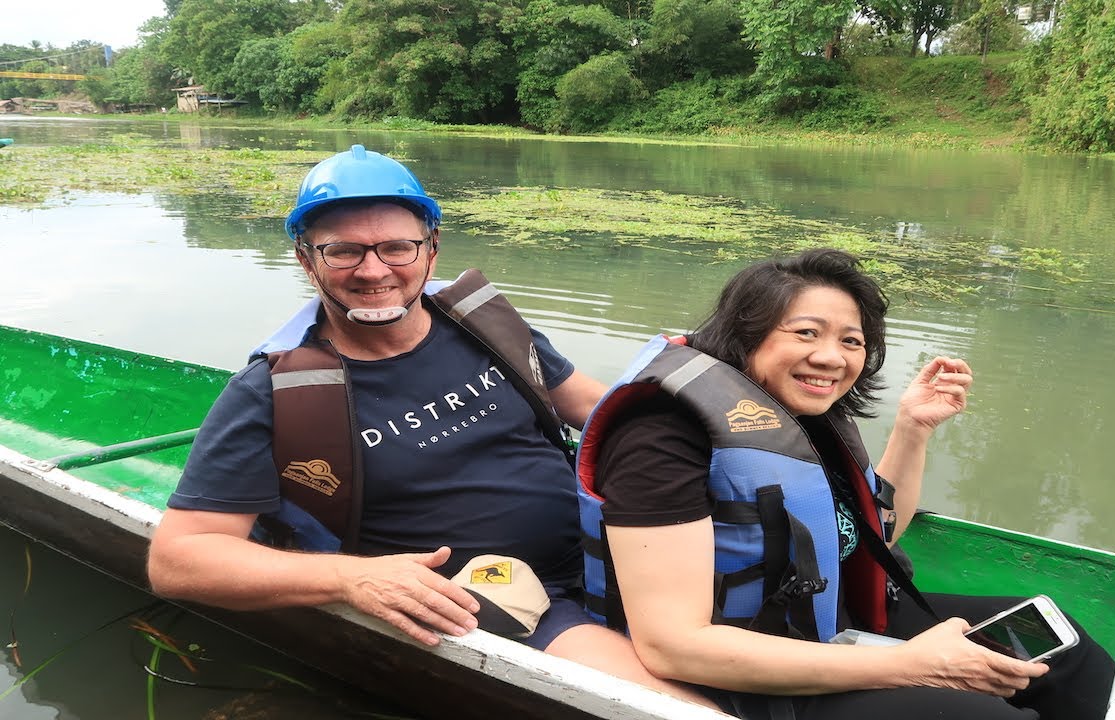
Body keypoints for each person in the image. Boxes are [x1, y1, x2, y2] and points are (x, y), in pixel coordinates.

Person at [146, 145, 711, 707]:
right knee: (691, 712)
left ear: (432, 249)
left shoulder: (483, 324)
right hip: (507, 602)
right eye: (342, 251)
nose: (373, 270)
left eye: (397, 247)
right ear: (306, 260)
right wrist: (351, 580)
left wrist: (717, 409)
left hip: (618, 545)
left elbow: (592, 405)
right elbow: (179, 560)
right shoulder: (271, 393)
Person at [576, 248, 1115, 719]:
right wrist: (907, 666)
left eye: (852, 341)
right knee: (978, 713)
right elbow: (672, 647)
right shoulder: (662, 435)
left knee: (1059, 646)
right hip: (743, 671)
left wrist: (914, 429)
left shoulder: (799, 415)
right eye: (806, 332)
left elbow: (870, 530)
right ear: (746, 332)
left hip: (829, 624)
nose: (833, 357)